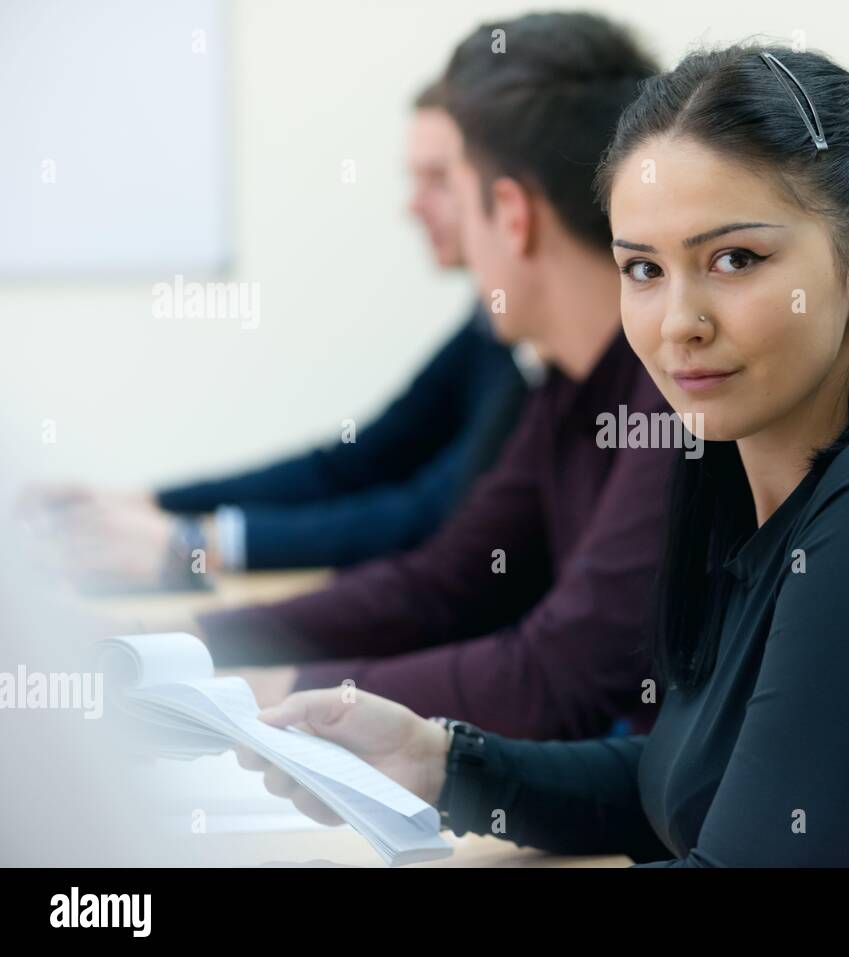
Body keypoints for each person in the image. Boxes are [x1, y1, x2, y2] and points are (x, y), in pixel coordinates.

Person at [239, 42, 849, 867]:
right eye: (643, 269)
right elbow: (686, 788)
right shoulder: (731, 480)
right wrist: (435, 759)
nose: (679, 322)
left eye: (736, 260)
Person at [185, 12, 674, 741]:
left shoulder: (676, 392)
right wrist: (195, 645)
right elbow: (448, 582)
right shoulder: (567, 385)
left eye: (450, 184)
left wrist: (285, 690)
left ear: (509, 212)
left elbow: (559, 673)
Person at [18, 82, 530, 584]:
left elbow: (426, 516)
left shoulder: (529, 341)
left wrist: (192, 543)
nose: (412, 206)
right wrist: (146, 505)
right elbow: (351, 465)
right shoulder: (488, 324)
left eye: (440, 180)